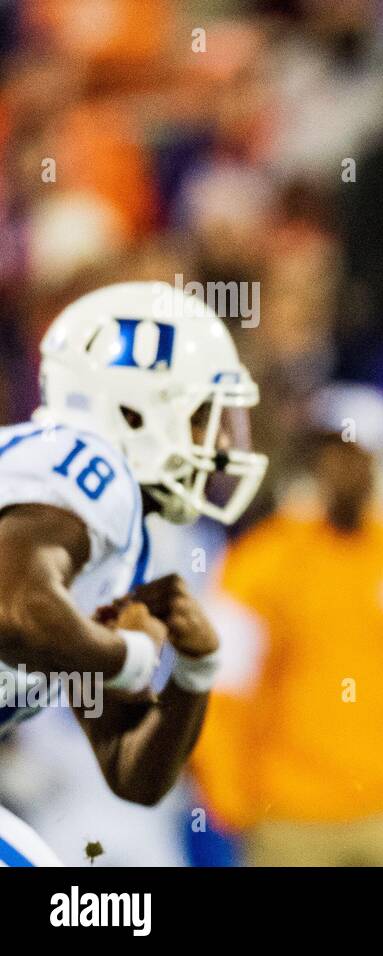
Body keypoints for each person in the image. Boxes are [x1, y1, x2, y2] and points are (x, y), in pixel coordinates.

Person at [0, 281, 267, 866]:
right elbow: (12, 610)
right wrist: (133, 656)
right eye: (202, 415)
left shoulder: (118, 541)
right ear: (133, 409)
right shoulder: (87, 465)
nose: (221, 441)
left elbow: (132, 772)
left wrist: (195, 671)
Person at [191, 385, 383, 866]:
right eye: (329, 457)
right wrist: (232, 798)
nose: (340, 471)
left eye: (354, 457)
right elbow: (221, 689)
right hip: (291, 814)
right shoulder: (262, 562)